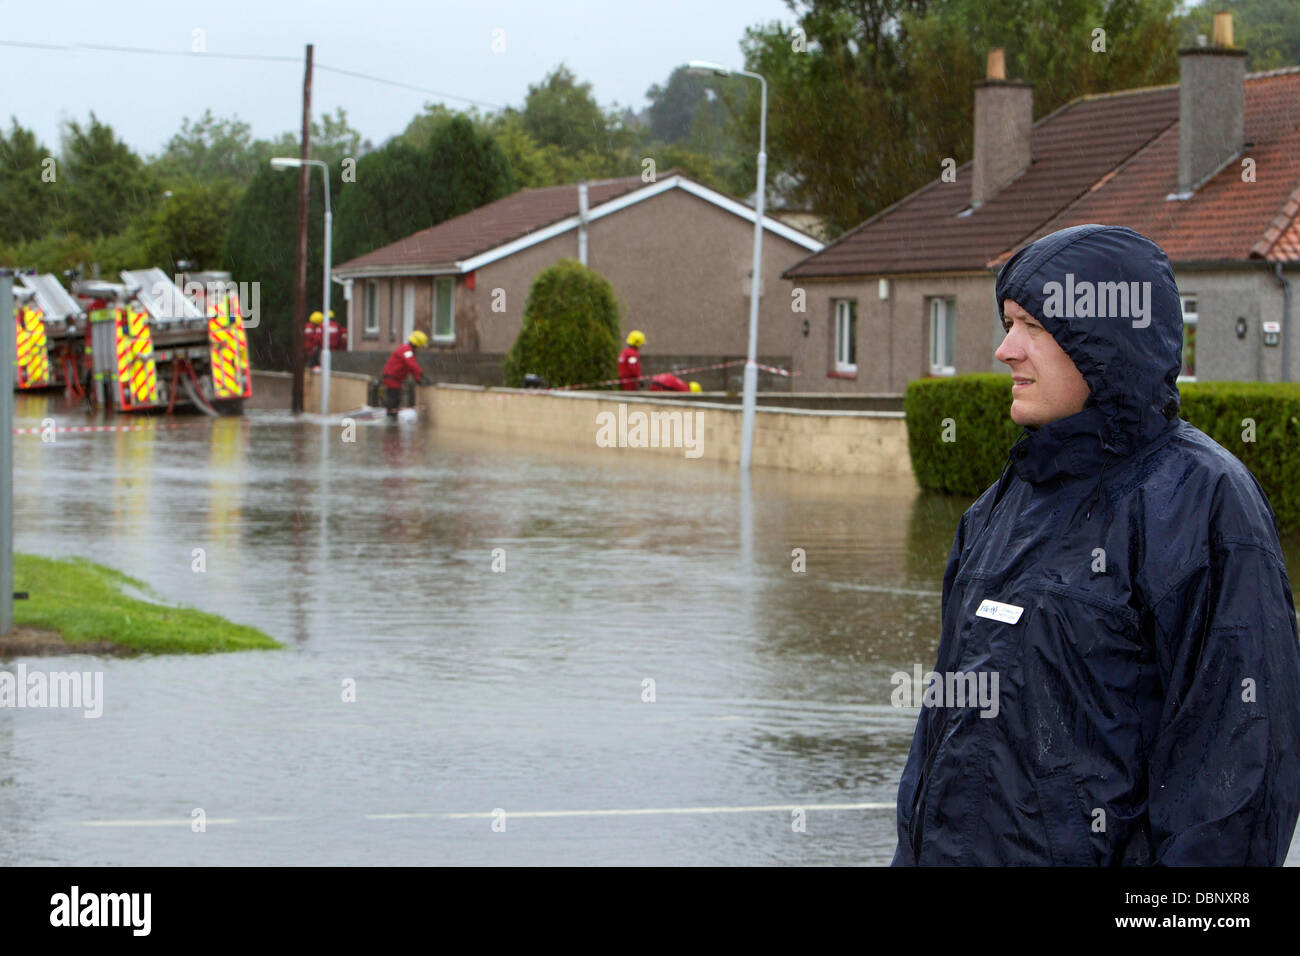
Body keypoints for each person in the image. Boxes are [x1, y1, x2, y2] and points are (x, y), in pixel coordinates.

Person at [892, 224, 1300, 866]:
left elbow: (1234, 793)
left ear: (1104, 340)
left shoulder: (1206, 506)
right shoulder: (997, 508)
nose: (1005, 350)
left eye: (1032, 326)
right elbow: (937, 743)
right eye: (1007, 322)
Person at [381, 331, 427, 417]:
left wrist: (418, 378)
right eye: (420, 346)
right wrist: (421, 374)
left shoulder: (408, 351)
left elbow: (410, 368)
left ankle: (391, 417)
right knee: (393, 401)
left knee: (395, 400)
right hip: (392, 378)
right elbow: (412, 364)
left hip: (394, 379)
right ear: (417, 344)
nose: (420, 348)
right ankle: (390, 420)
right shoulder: (406, 350)